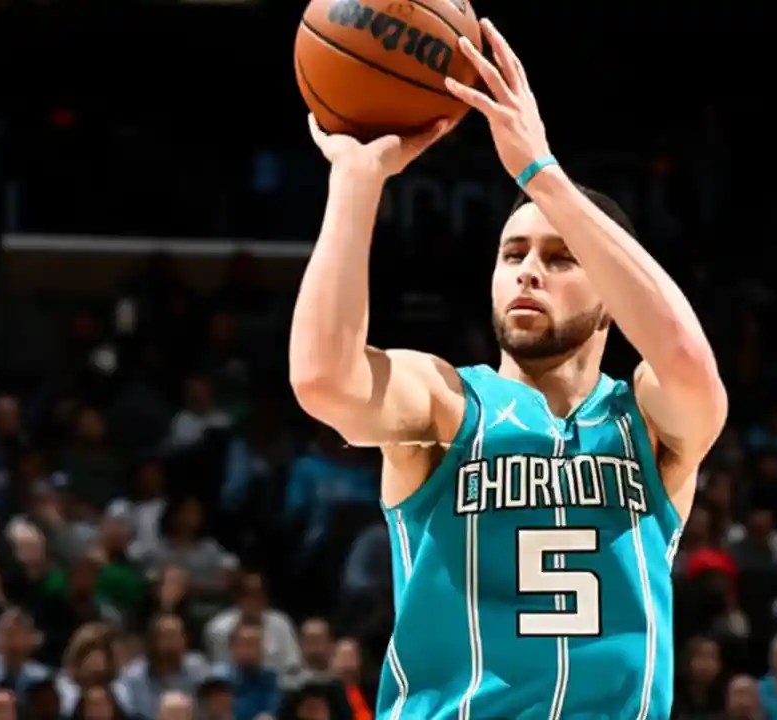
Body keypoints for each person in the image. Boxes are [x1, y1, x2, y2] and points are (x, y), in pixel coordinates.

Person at [289, 17, 726, 720]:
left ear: (613, 298)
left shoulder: (648, 418)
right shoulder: (445, 404)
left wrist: (540, 173)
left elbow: (689, 364)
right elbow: (322, 380)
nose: (527, 272)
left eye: (559, 258)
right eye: (512, 253)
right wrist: (355, 182)